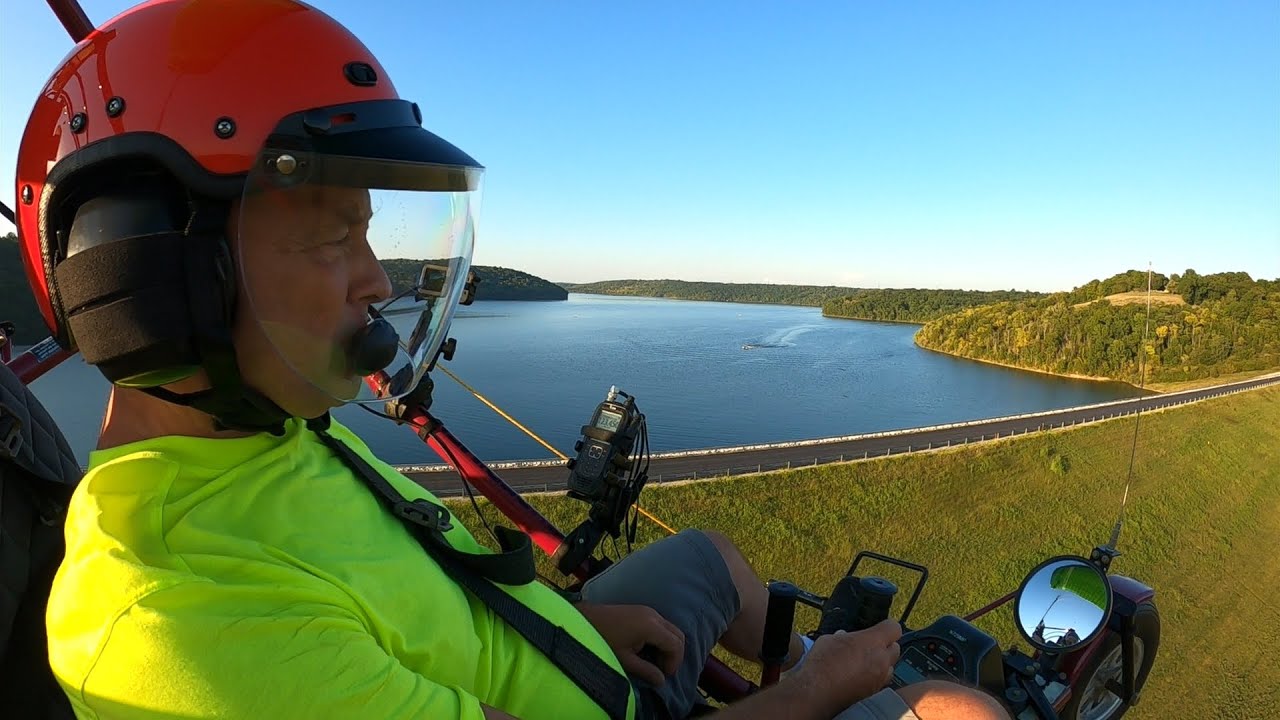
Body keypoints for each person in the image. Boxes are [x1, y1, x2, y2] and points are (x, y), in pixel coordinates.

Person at [15, 2, 1009, 719]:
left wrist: (575, 624)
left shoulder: (275, 436)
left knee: (707, 557)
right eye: (331, 237)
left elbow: (421, 594)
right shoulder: (175, 619)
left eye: (369, 235)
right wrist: (811, 692)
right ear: (147, 275)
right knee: (960, 716)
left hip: (579, 664)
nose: (376, 281)